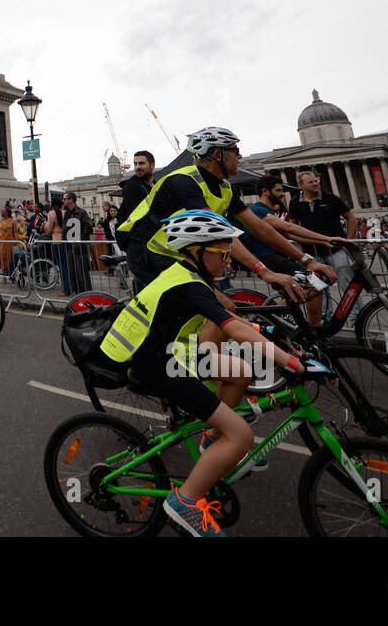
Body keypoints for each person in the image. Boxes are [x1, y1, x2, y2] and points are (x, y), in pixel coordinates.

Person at [97, 210, 310, 537]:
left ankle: (213, 443)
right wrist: (291, 362)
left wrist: (279, 345)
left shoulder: (189, 274)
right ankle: (185, 502)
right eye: (224, 253)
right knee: (241, 435)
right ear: (198, 251)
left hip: (173, 352)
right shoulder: (189, 285)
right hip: (156, 364)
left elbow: (237, 325)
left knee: (241, 371)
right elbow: (235, 328)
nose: (229, 261)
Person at [118, 127, 331, 300]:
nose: (240, 156)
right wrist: (264, 272)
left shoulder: (226, 187)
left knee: (222, 310)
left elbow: (260, 227)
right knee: (212, 309)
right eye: (235, 151)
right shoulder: (184, 181)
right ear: (218, 154)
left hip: (181, 255)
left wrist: (306, 260)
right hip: (149, 254)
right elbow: (219, 233)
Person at [246, 175, 341, 325]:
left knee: (298, 293)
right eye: (278, 190)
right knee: (314, 285)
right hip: (266, 257)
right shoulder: (256, 209)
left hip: (276, 257)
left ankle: (278, 322)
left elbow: (291, 235)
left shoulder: (268, 212)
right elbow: (289, 227)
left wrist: (324, 241)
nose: (282, 194)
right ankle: (313, 332)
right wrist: (326, 238)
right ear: (265, 191)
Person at [114, 150, 155, 252]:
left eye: (141, 163)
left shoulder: (155, 185)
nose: (137, 167)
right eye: (135, 164)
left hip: (150, 242)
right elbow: (139, 217)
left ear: (152, 165)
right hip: (138, 244)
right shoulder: (131, 186)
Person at [61, 192, 94, 295]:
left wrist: (79, 240)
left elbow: (89, 228)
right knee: (73, 273)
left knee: (82, 273)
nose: (63, 200)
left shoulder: (81, 212)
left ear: (71, 200)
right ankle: (78, 296)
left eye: (65, 198)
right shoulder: (67, 213)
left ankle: (87, 296)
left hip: (79, 248)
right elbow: (65, 229)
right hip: (69, 248)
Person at [0, 205, 16, 277]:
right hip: (1, 244)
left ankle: (12, 277)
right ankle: (4, 278)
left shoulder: (13, 222)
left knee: (10, 260)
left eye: (3, 211)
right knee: (2, 259)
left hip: (10, 244)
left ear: (7, 212)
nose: (1, 212)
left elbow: (15, 233)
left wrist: (16, 243)